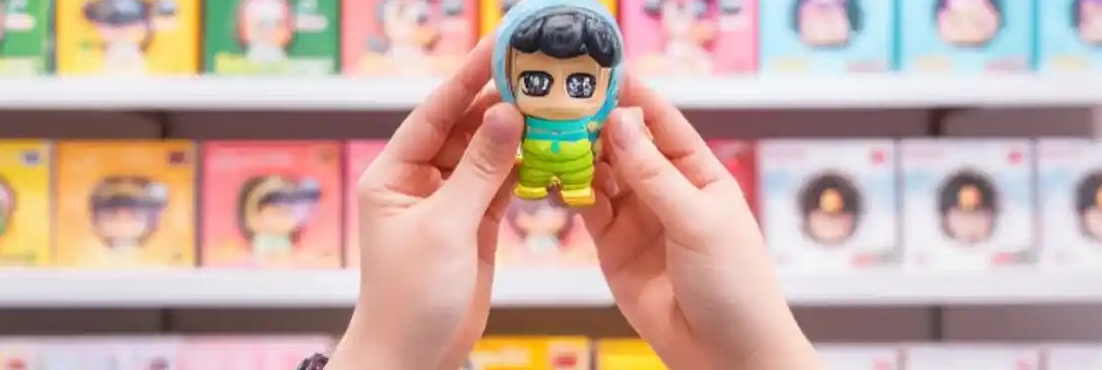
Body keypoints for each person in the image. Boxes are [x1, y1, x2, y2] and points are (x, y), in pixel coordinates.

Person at [318, 36, 823, 370]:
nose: (559, 93)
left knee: (579, 176)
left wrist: (755, 355)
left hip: (579, 157)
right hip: (538, 154)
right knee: (540, 175)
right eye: (537, 82)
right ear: (512, 80)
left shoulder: (596, 125)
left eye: (579, 83)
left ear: (603, 88)